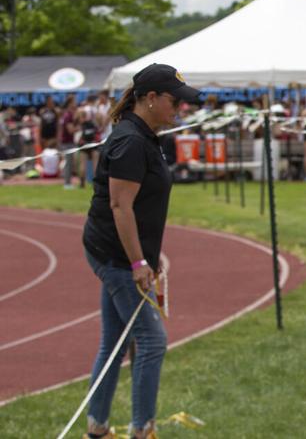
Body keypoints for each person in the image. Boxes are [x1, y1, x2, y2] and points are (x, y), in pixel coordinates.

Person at [80, 63, 200, 439]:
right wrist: (138, 262)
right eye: (174, 101)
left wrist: (144, 255)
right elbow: (120, 206)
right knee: (151, 340)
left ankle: (97, 428)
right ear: (150, 98)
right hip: (115, 255)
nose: (179, 108)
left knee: (115, 342)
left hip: (120, 252)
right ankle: (142, 430)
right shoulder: (131, 141)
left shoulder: (145, 136)